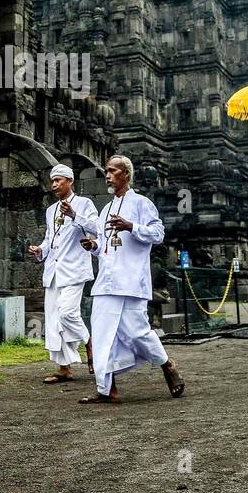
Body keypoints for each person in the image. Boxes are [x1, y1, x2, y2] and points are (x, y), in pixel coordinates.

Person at [79, 155, 184, 404]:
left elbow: (158, 233)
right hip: (106, 281)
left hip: (131, 280)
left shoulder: (141, 203)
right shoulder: (105, 209)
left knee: (137, 333)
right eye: (106, 170)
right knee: (103, 335)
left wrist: (131, 227)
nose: (107, 175)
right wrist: (94, 245)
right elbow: (106, 245)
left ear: (125, 174)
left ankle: (167, 364)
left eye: (112, 171)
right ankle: (107, 390)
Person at [27, 164, 99, 383]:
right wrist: (40, 250)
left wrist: (75, 215)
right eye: (52, 181)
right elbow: (50, 239)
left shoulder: (84, 204)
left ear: (70, 181)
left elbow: (96, 229)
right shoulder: (51, 210)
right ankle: (64, 368)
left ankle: (89, 342)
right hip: (53, 270)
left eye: (58, 180)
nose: (54, 184)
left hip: (74, 269)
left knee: (67, 313)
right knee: (54, 319)